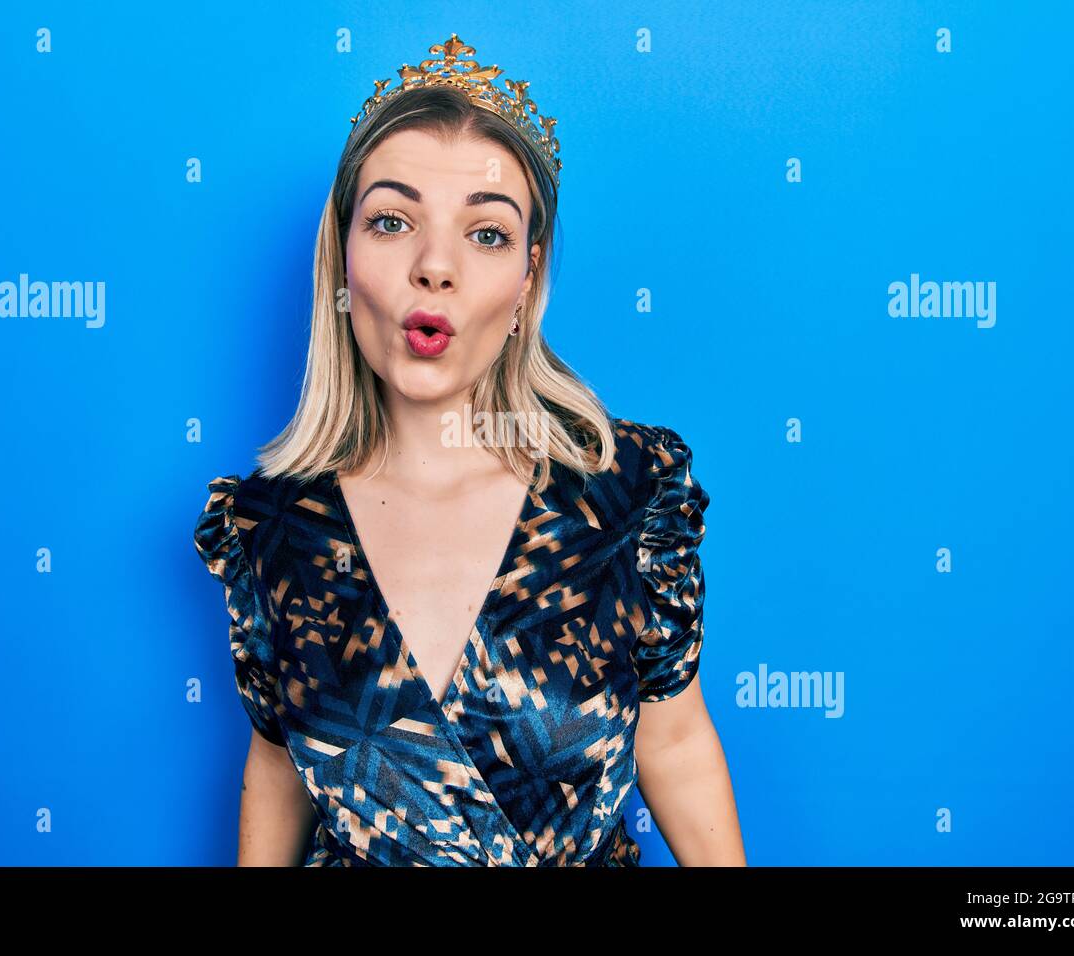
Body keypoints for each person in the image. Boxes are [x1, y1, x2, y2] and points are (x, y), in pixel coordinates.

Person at [193, 33, 745, 866]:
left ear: (528, 279)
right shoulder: (273, 530)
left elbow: (674, 745)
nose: (434, 267)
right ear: (342, 262)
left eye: (485, 234)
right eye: (391, 221)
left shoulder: (625, 498)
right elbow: (278, 768)